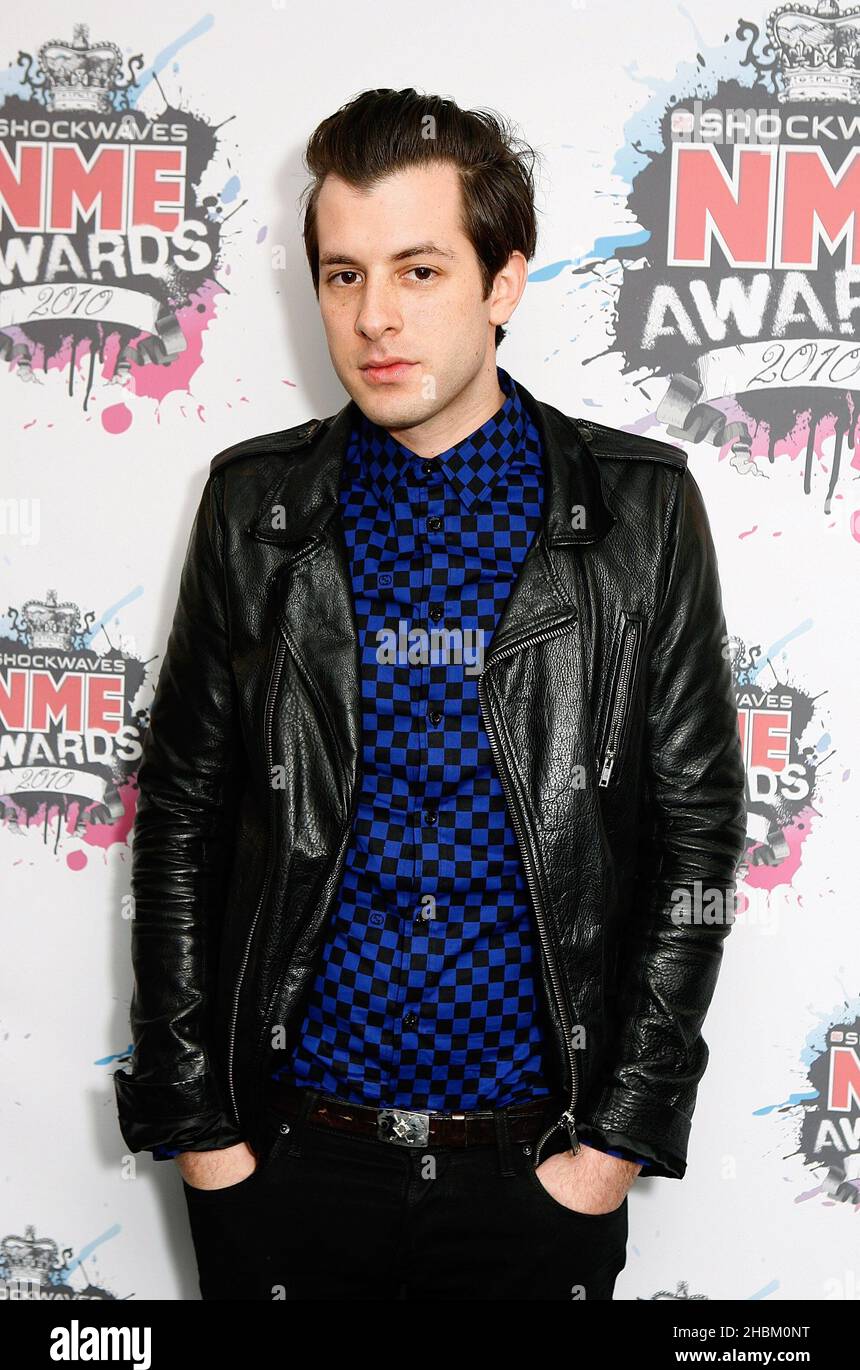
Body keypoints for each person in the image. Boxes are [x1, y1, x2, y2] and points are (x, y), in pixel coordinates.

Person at [114, 87, 748, 1301]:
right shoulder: (255, 510)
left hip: (532, 1168)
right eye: (342, 276)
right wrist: (203, 1134)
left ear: (502, 282)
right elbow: (182, 818)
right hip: (287, 1160)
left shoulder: (637, 511)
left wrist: (612, 1145)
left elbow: (696, 841)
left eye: (417, 268)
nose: (374, 317)